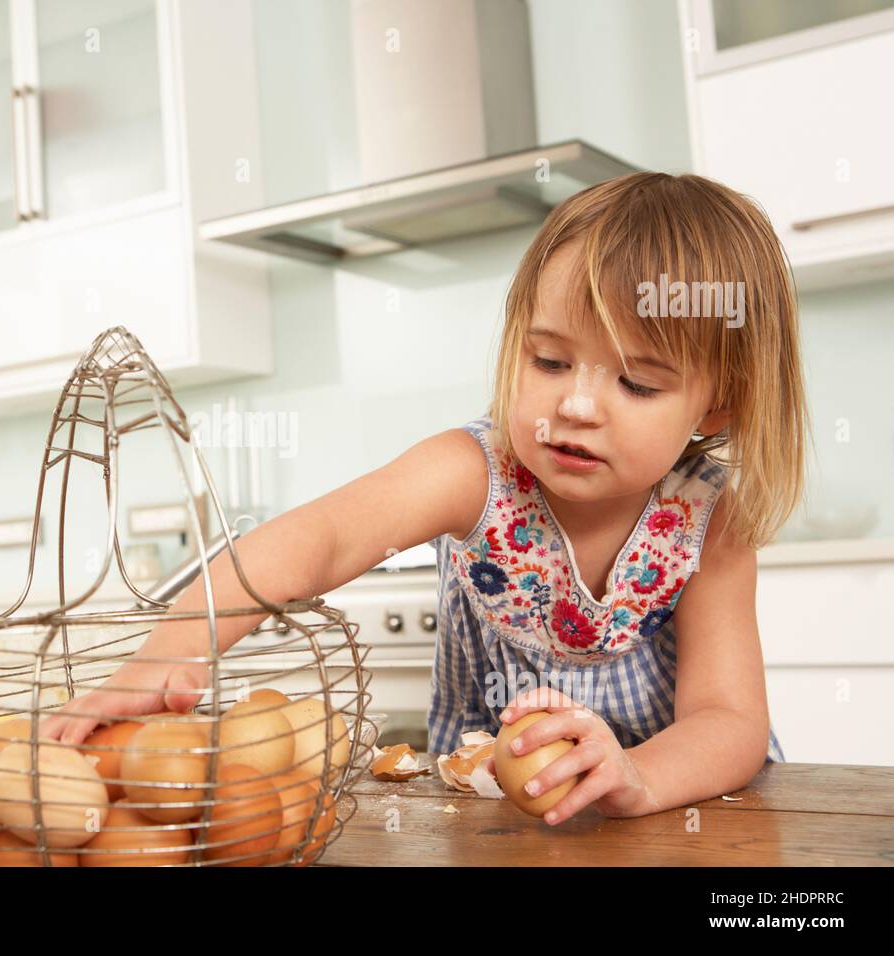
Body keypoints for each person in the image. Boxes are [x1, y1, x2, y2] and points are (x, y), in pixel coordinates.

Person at [41, 171, 810, 825]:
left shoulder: (708, 521)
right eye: (548, 360)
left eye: (637, 382)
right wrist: (167, 654)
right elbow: (321, 541)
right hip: (492, 825)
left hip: (682, 819)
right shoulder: (476, 472)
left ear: (716, 408)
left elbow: (730, 721)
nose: (576, 404)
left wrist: (639, 779)